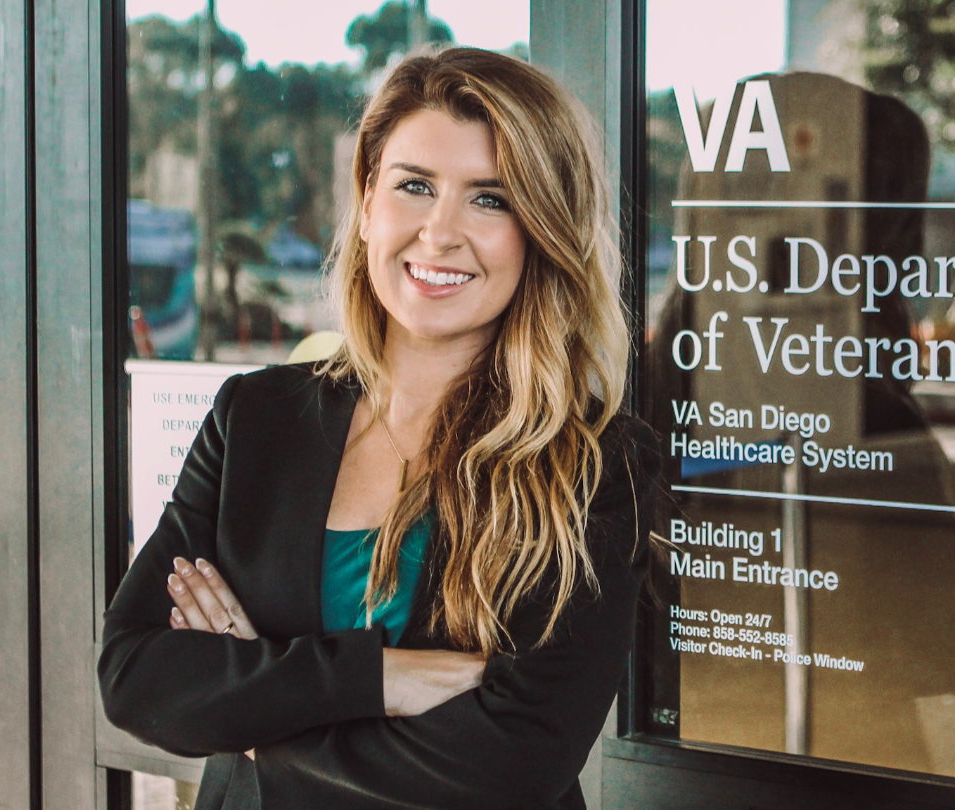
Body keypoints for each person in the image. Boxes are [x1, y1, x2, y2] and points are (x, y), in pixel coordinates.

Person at [99, 47, 658, 810]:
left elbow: (514, 762)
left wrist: (258, 708)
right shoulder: (255, 419)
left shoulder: (590, 465)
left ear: (541, 231)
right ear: (367, 202)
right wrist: (377, 679)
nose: (440, 233)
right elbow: (136, 676)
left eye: (490, 199)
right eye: (414, 186)